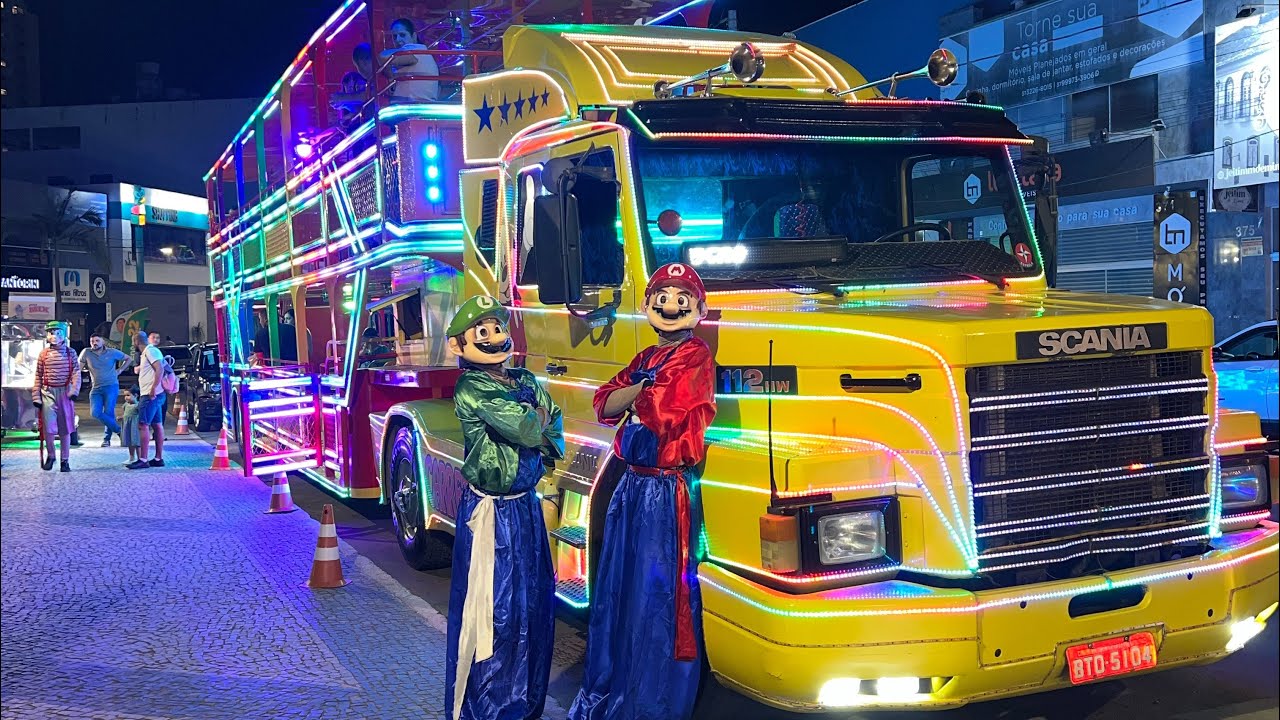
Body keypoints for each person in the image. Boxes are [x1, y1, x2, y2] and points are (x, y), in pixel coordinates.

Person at [570, 263, 717, 720]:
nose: (671, 307)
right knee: (620, 591)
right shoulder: (645, 359)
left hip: (662, 493)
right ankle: (619, 690)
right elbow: (603, 401)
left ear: (699, 310)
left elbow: (662, 410)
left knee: (658, 599)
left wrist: (634, 394)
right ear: (647, 305)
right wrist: (637, 390)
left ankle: (652, 703)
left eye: (681, 299)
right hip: (631, 486)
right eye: (663, 297)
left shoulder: (695, 357)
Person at [445, 296, 563, 720]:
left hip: (525, 510)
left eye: (497, 327)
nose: (494, 337)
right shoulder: (472, 387)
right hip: (493, 517)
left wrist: (537, 416)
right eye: (482, 332)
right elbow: (529, 427)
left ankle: (524, 702)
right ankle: (488, 709)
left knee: (532, 605)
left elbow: (554, 416)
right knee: (494, 614)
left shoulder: (522, 379)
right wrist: (536, 417)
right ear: (459, 346)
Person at [32, 320, 82, 472]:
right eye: (51, 332)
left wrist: (74, 390)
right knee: (48, 427)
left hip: (65, 393)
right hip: (48, 393)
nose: (54, 335)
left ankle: (65, 460)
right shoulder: (44, 354)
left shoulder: (70, 352)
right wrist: (36, 396)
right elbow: (38, 375)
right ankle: (51, 455)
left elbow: (76, 372)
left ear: (63, 335)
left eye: (57, 332)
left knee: (65, 428)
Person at [79, 332, 130, 446]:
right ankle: (119, 430)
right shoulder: (86, 352)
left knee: (109, 411)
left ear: (103, 342)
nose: (94, 343)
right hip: (96, 388)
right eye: (92, 341)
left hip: (111, 386)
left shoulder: (112, 352)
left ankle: (106, 439)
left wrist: (120, 370)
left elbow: (128, 358)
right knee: (95, 412)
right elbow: (78, 368)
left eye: (97, 341)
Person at [128, 331, 166, 470]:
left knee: (143, 425)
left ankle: (143, 459)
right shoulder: (149, 352)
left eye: (133, 341)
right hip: (155, 394)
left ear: (136, 341)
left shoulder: (150, 351)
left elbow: (159, 368)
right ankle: (158, 458)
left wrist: (153, 388)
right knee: (157, 424)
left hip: (150, 395)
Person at [381, 18, 440, 102]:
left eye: (402, 35)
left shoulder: (414, 49)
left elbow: (383, 56)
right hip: (418, 107)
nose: (397, 40)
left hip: (412, 109)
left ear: (414, 36)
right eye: (394, 36)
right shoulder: (422, 53)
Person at [120, 387, 141, 466]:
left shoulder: (137, 405)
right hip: (127, 426)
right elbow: (126, 414)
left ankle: (140, 458)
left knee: (136, 442)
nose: (126, 397)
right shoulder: (126, 405)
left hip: (135, 426)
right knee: (130, 442)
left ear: (135, 395)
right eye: (125, 395)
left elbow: (140, 415)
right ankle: (131, 457)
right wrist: (122, 417)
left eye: (128, 395)